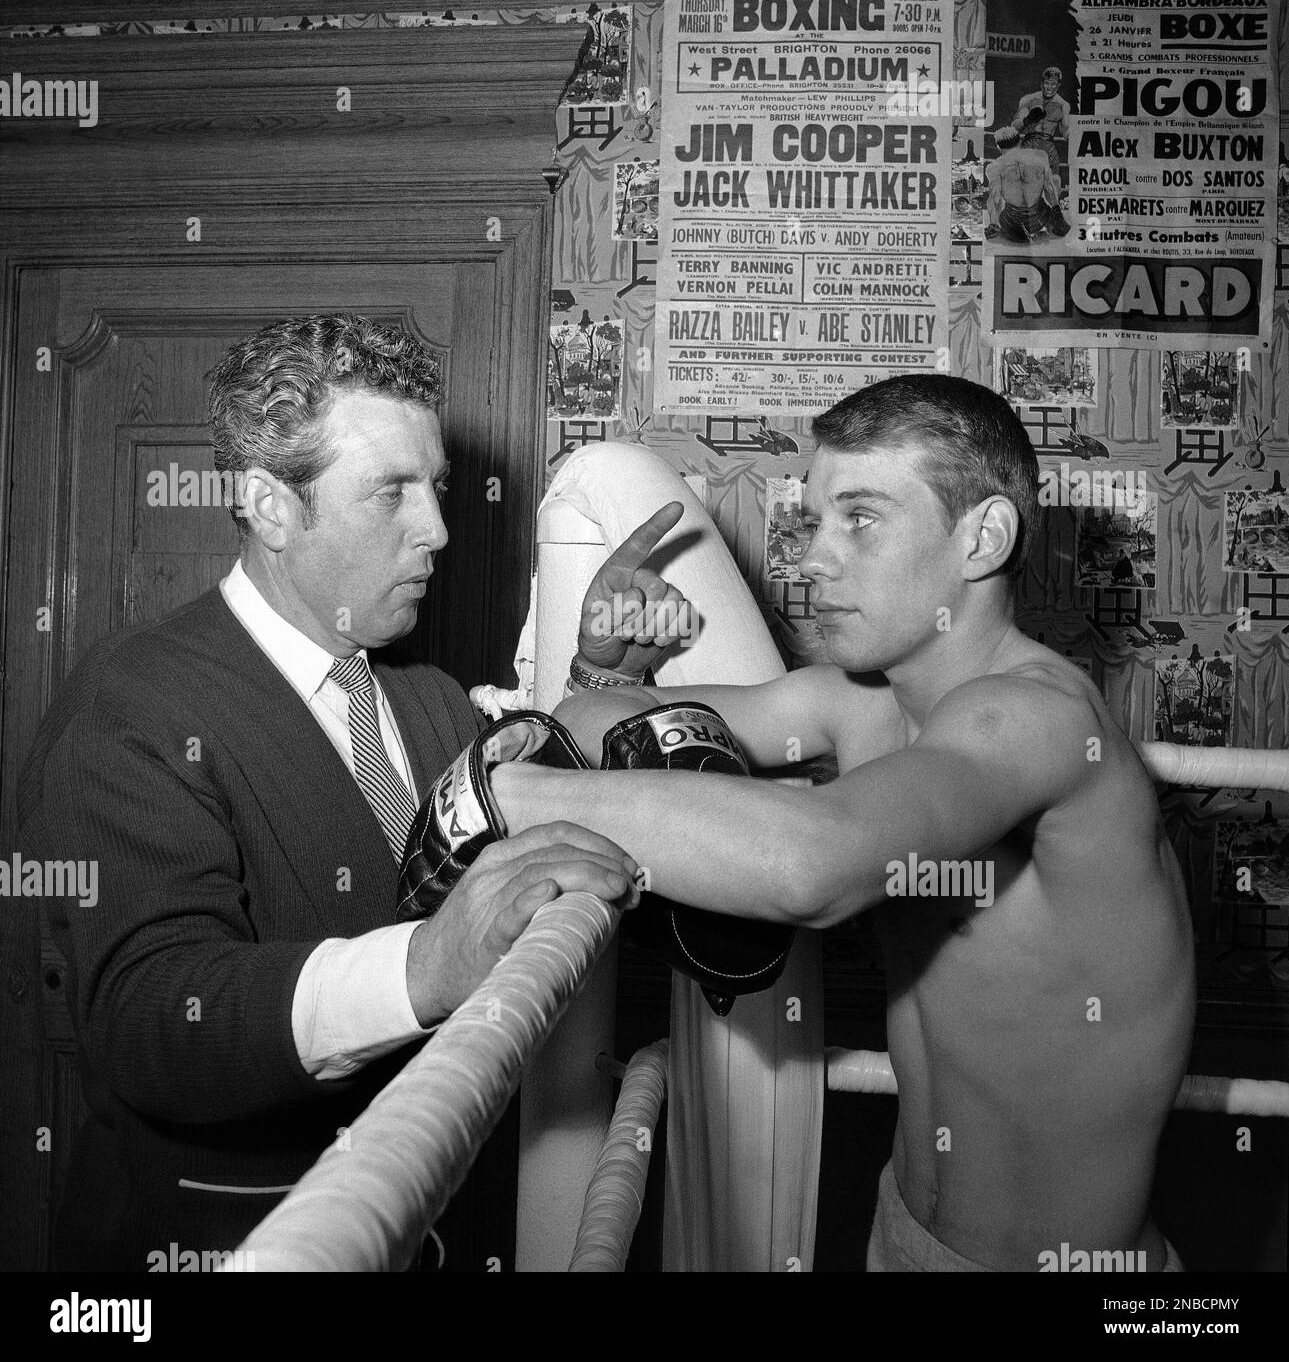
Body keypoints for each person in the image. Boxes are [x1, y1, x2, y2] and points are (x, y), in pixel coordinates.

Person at [474, 373, 1195, 1272]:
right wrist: (604, 668)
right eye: (815, 520)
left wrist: (507, 797)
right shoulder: (861, 704)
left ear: (983, 538)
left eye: (860, 517)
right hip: (902, 1227)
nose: (812, 559)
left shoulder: (1038, 721)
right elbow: (595, 725)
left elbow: (809, 869)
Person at [18, 313, 637, 1270]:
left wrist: (600, 677)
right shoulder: (132, 706)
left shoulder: (425, 698)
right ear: (270, 506)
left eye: (432, 486)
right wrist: (424, 967)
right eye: (389, 491)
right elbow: (150, 1017)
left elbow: (535, 820)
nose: (436, 527)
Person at [1010, 66, 1071, 173]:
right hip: (1030, 145)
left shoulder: (1063, 105)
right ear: (1041, 83)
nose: (1049, 87)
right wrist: (1028, 120)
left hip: (1049, 147)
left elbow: (1066, 133)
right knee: (1027, 184)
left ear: (1058, 85)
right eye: (1047, 83)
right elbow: (1014, 127)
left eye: (1053, 84)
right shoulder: (1028, 100)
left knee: (1051, 185)